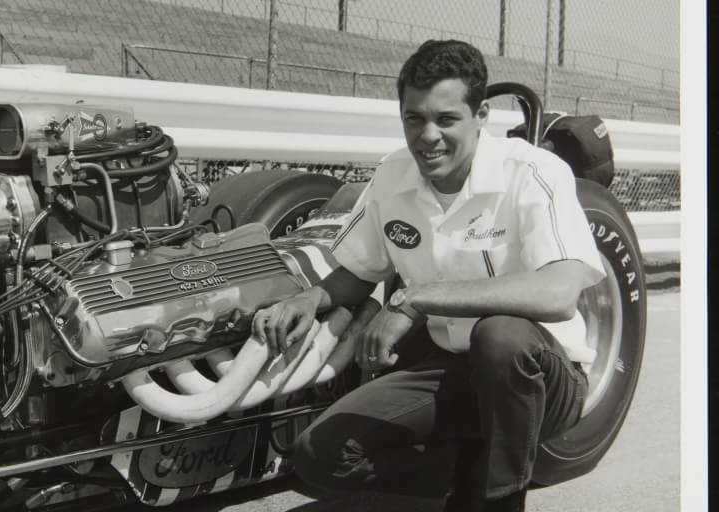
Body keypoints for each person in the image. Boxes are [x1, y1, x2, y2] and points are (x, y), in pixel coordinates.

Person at [252, 40, 605, 512]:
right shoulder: (392, 176)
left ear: (481, 115)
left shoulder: (535, 172)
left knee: (500, 337)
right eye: (414, 118)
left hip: (542, 378)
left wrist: (417, 298)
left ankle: (500, 499)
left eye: (446, 119)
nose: (427, 136)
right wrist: (308, 300)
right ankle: (463, 470)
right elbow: (358, 272)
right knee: (321, 456)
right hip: (452, 369)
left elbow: (560, 293)